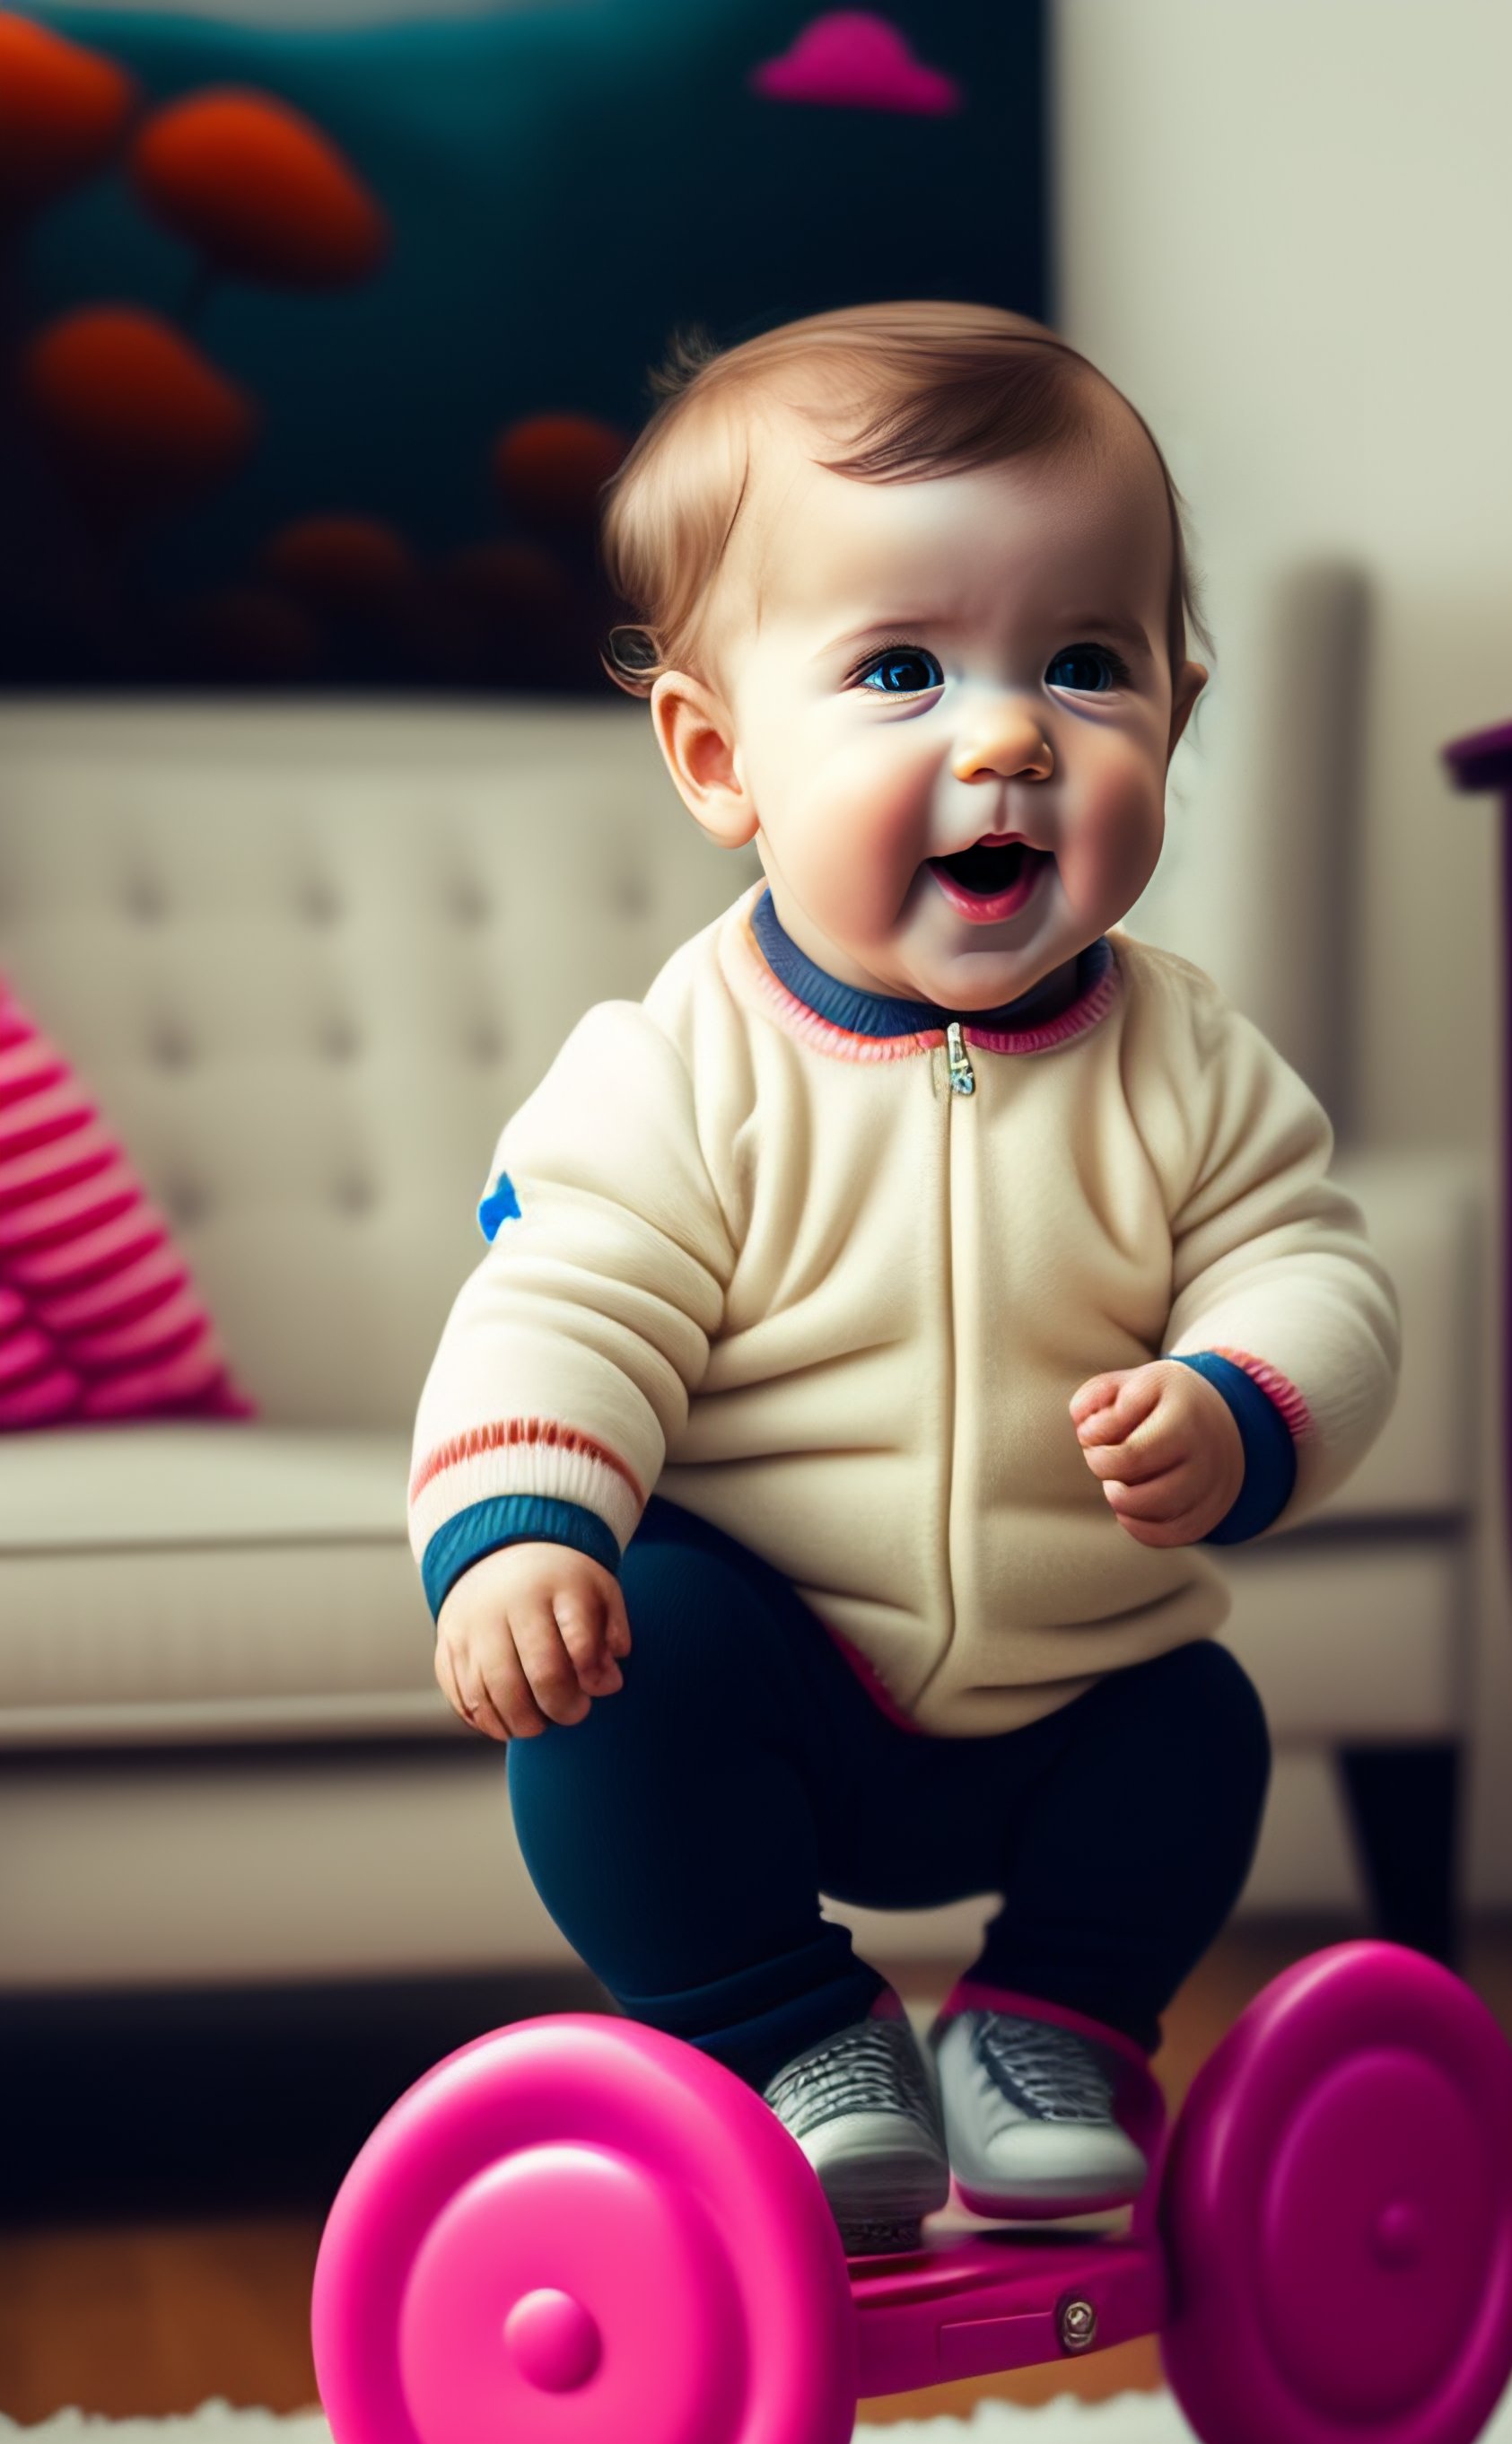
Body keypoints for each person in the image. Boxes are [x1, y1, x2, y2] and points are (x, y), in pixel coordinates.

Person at [409, 302, 1400, 2251]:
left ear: (1175, 721)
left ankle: (1050, 2034)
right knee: (617, 1691)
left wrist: (1237, 1401)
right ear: (720, 760)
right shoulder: (675, 1070)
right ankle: (790, 2037)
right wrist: (523, 1527)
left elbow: (1310, 1267)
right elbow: (564, 1300)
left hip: (1064, 1682)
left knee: (1196, 1726)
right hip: (776, 1671)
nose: (1013, 732)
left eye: (1086, 666)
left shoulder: (1188, 1065)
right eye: (896, 668)